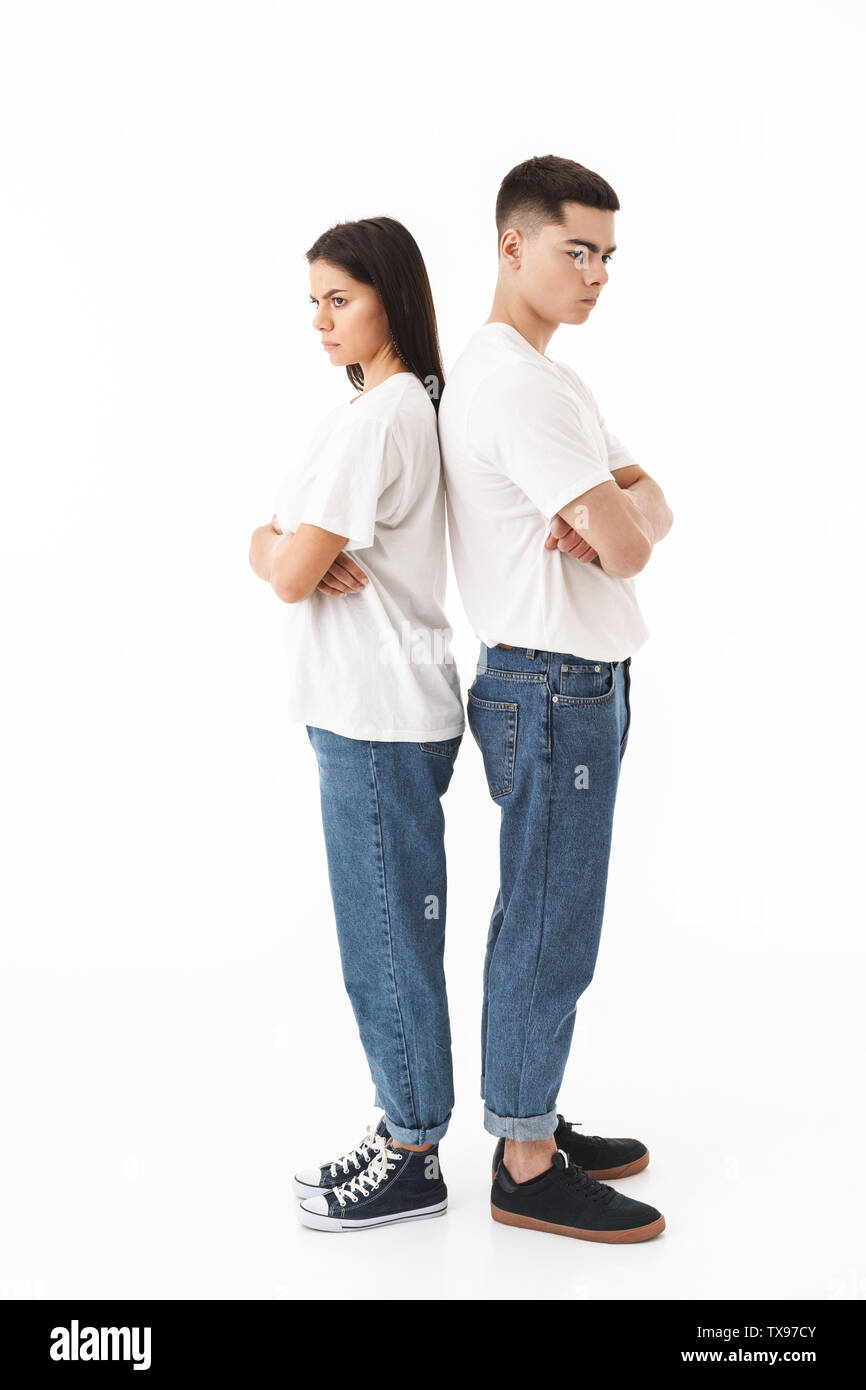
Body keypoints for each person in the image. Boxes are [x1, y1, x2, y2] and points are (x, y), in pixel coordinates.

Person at [437, 154, 674, 1243]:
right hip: (551, 685)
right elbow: (628, 547)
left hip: (568, 682)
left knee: (546, 912)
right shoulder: (517, 387)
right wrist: (622, 522)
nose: (596, 275)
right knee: (547, 922)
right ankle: (525, 1165)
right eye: (577, 251)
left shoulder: (549, 379)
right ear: (512, 245)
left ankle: (525, 1116)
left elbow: (651, 505)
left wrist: (627, 514)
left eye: (607, 257)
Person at [248, 217, 464, 1232]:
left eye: (340, 299)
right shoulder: (385, 408)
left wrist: (279, 547)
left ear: (390, 296)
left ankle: (412, 1150)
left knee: (384, 943)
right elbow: (272, 545)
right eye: (314, 303)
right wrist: (277, 544)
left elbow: (286, 568)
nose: (321, 321)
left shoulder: (383, 415)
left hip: (376, 715)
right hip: (374, 709)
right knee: (386, 936)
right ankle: (401, 1128)